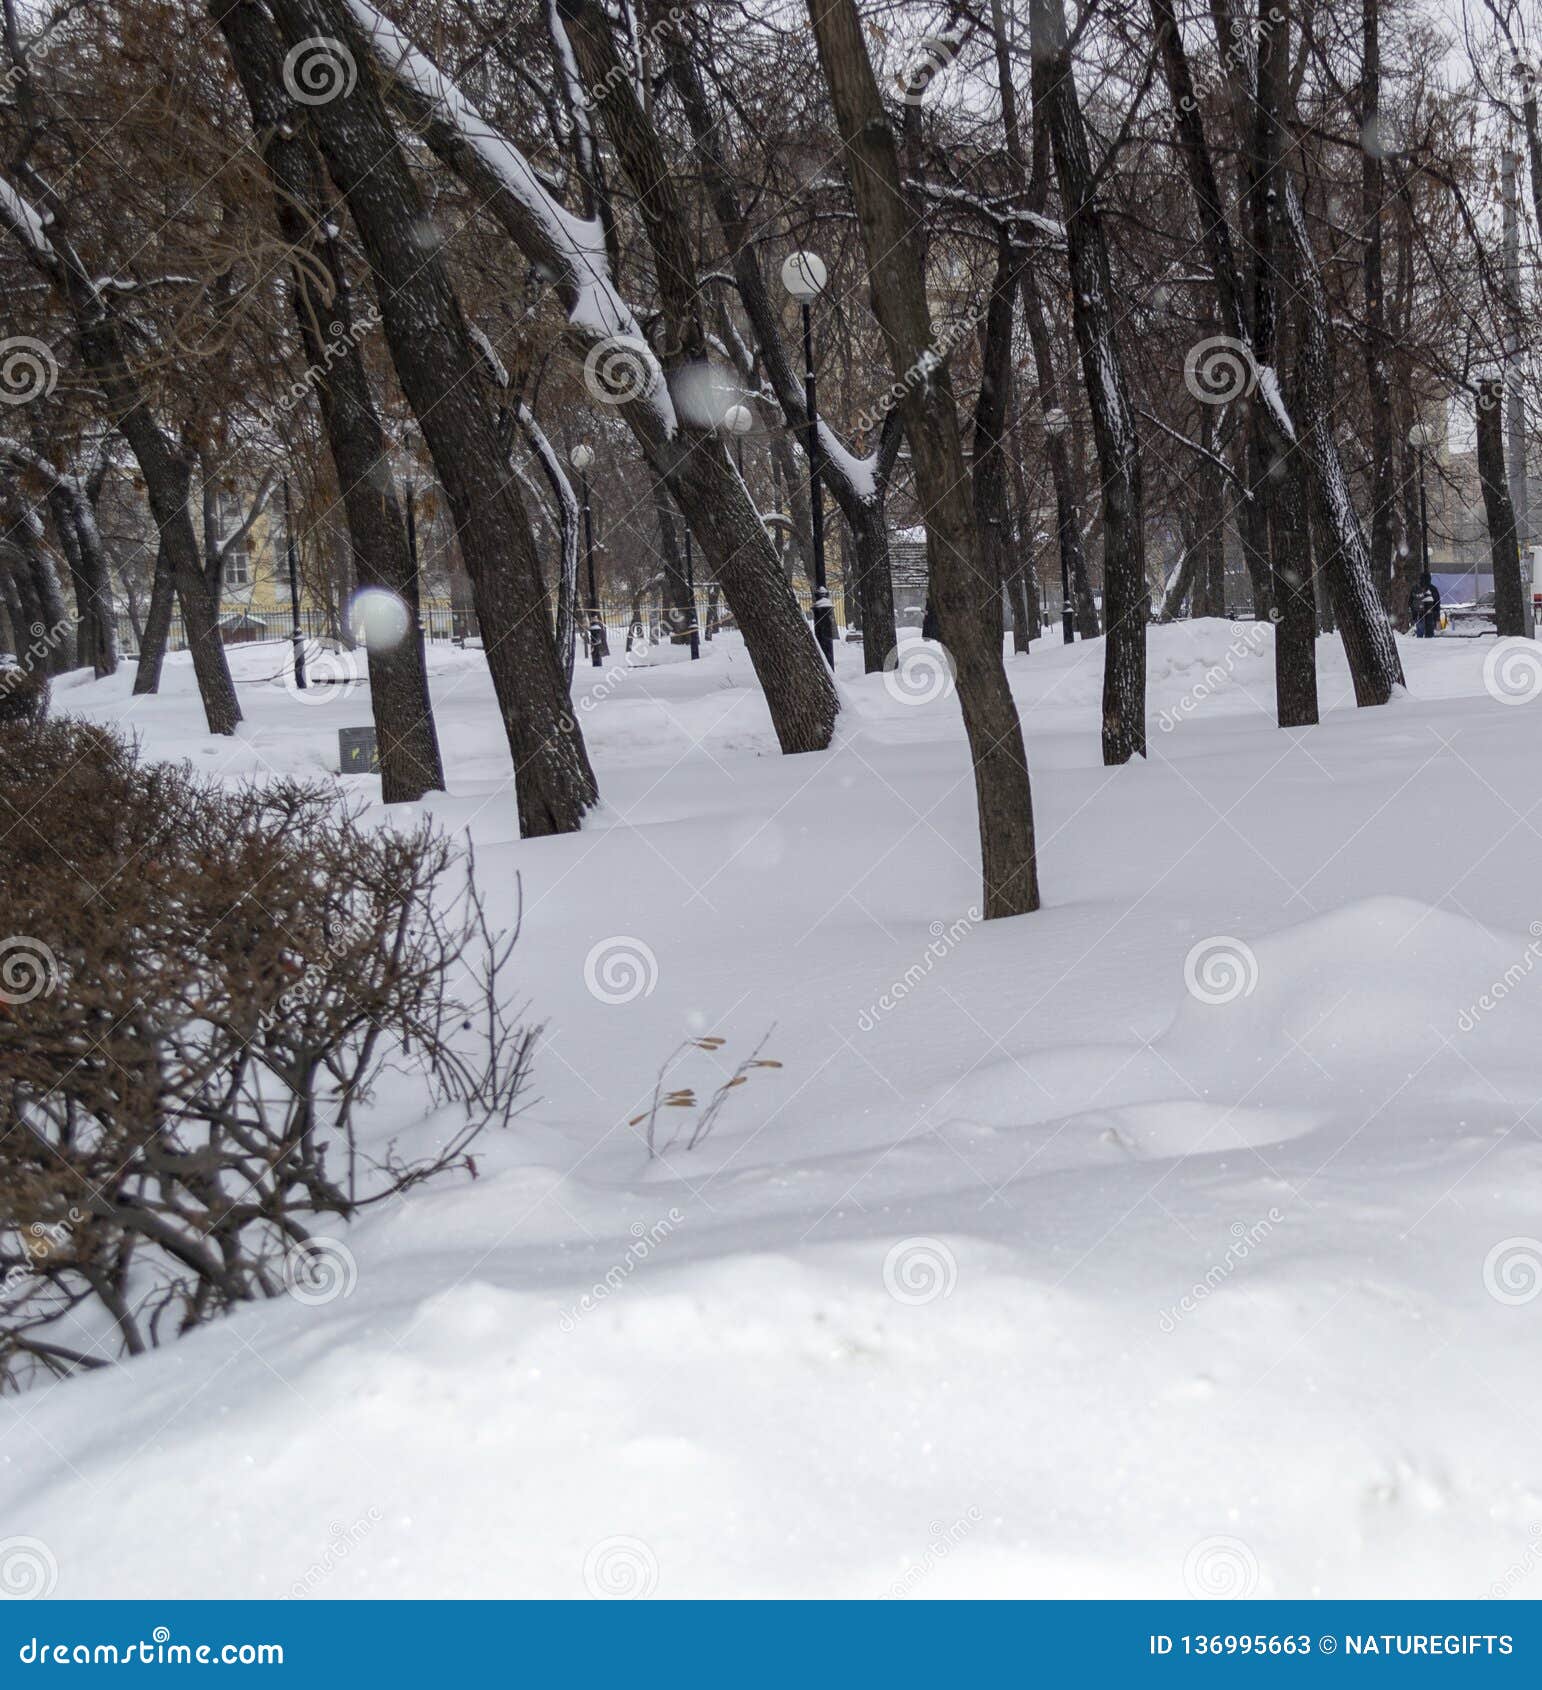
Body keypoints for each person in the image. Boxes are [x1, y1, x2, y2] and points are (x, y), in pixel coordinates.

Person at [1409, 572, 1441, 637]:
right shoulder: (1433, 589)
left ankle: (1420, 643)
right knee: (1429, 634)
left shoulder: (1415, 588)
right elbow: (1437, 603)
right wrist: (1437, 616)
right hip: (1430, 614)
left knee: (1420, 633)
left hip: (1419, 613)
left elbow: (1410, 602)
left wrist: (1413, 614)